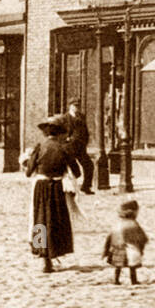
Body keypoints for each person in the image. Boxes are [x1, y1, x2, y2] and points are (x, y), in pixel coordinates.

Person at [24, 116, 80, 273]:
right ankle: (54, 253)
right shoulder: (64, 148)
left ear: (46, 132)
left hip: (40, 187)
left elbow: (29, 172)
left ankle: (43, 257)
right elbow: (77, 171)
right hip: (56, 187)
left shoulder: (39, 147)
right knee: (55, 220)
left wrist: (28, 163)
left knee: (39, 219)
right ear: (59, 133)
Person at [103, 198, 148, 286]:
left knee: (118, 266)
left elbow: (109, 237)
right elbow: (141, 237)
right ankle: (133, 281)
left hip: (117, 248)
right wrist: (141, 246)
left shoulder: (118, 224)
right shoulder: (133, 224)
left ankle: (116, 280)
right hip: (129, 248)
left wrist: (106, 250)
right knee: (132, 267)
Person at [65, 99, 95, 195]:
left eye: (78, 106)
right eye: (74, 106)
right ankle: (70, 189)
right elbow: (62, 132)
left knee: (89, 166)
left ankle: (86, 187)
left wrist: (85, 142)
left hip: (80, 147)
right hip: (69, 148)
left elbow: (85, 131)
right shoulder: (65, 118)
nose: (76, 108)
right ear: (70, 106)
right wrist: (67, 139)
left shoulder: (81, 117)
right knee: (73, 169)